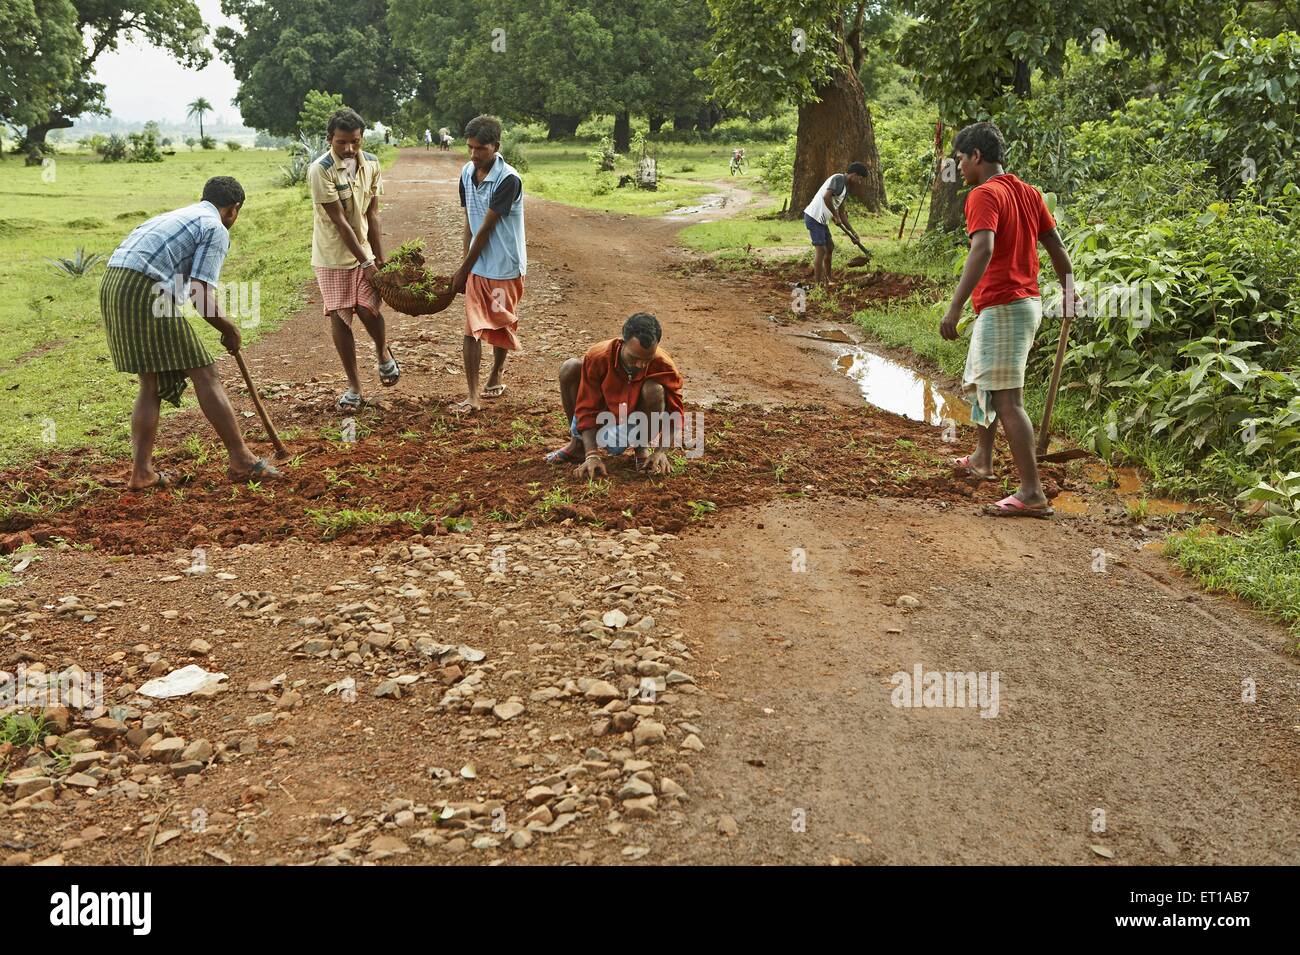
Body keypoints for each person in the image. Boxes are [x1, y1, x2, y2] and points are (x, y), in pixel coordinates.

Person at [100, 176, 281, 488]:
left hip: (114, 284)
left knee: (151, 381)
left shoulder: (180, 215)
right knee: (206, 372)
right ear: (233, 210)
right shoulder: (214, 227)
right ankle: (241, 458)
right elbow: (200, 292)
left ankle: (142, 472)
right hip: (143, 288)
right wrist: (229, 328)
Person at [939, 121, 1077, 518]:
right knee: (987, 382)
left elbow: (982, 248)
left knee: (1008, 399)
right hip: (1021, 304)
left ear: (976, 157)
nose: (959, 167)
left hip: (1004, 305)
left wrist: (954, 307)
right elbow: (1055, 244)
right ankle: (983, 458)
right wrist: (1069, 291)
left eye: (961, 159)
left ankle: (1032, 492)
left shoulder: (983, 194)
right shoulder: (1029, 192)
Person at [308, 107, 397, 412]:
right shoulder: (320, 170)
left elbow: (372, 213)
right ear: (329, 139)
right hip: (332, 255)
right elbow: (340, 223)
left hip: (365, 252)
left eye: (355, 142)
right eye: (341, 142)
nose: (348, 149)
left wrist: (380, 260)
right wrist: (366, 263)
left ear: (362, 139)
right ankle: (354, 386)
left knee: (368, 310)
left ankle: (383, 353)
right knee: (340, 315)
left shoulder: (371, 163)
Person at [546, 312, 685, 478]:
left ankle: (641, 448)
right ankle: (578, 444)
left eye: (647, 359)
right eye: (634, 358)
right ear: (622, 343)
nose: (641, 364)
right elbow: (587, 408)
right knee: (571, 367)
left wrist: (661, 451)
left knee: (654, 390)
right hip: (602, 415)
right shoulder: (598, 357)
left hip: (632, 420)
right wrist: (592, 454)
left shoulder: (664, 365)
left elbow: (675, 413)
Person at [449, 114, 526, 413]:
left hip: (505, 266)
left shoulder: (508, 179)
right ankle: (472, 395)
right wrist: (464, 264)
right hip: (478, 266)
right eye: (470, 147)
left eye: (480, 149)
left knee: (499, 324)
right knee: (472, 330)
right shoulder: (466, 173)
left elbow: (486, 229)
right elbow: (470, 222)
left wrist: (462, 270)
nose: (473, 154)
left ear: (496, 146)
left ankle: (495, 375)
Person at [803, 162, 868, 284]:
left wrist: (853, 232)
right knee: (821, 250)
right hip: (814, 217)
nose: (859, 182)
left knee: (829, 247)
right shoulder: (838, 178)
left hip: (821, 221)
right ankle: (818, 284)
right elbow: (826, 197)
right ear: (854, 175)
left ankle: (829, 278)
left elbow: (842, 214)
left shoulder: (845, 189)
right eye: (859, 178)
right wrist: (835, 214)